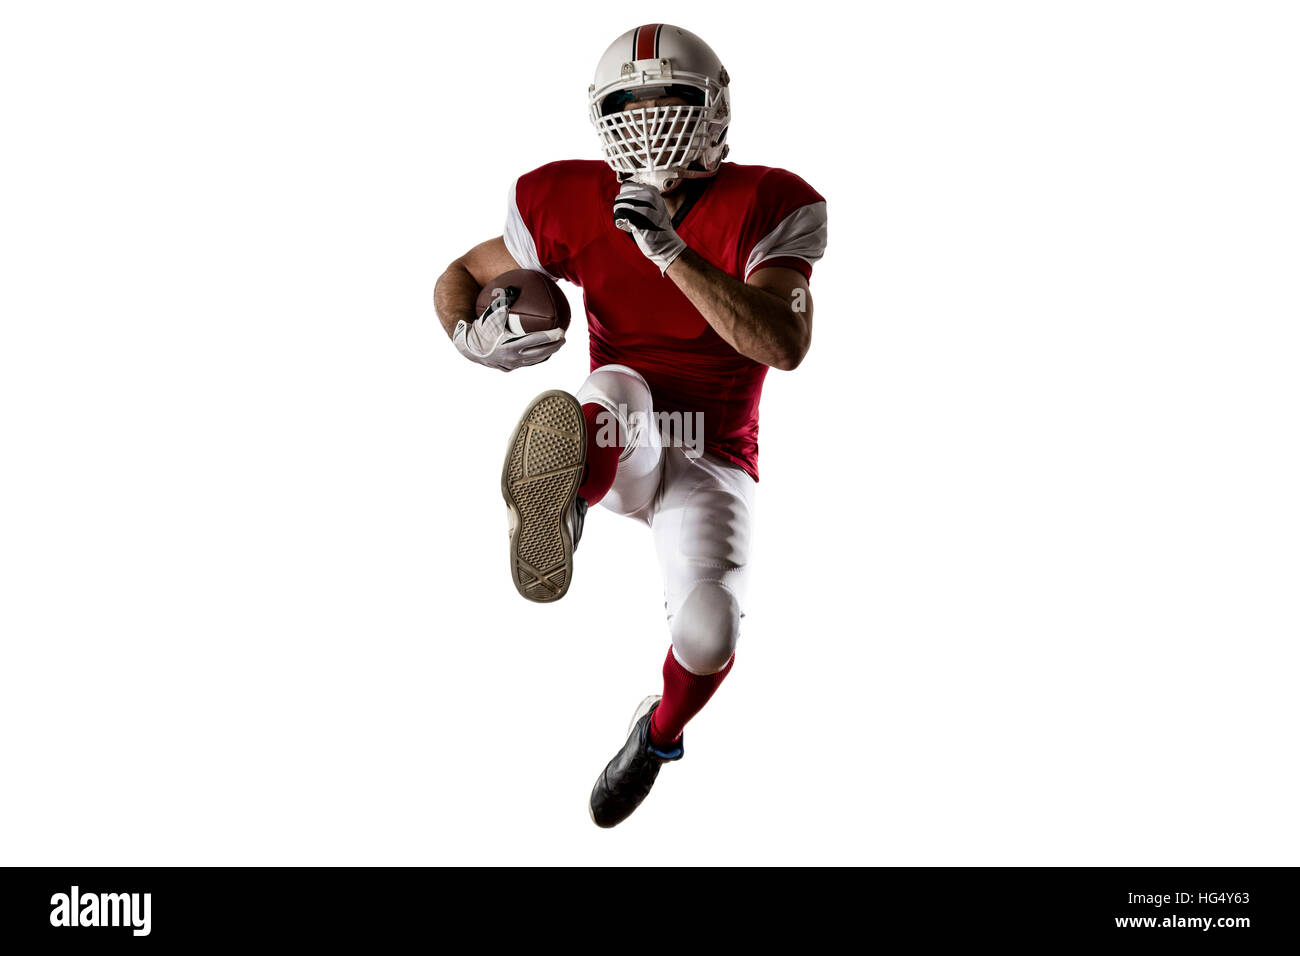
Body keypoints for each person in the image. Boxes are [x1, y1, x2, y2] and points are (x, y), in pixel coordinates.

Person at [433, 23, 827, 828]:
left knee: (711, 630)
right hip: (627, 436)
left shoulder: (770, 201)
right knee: (616, 389)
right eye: (630, 102)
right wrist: (472, 334)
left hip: (715, 451)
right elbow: (464, 273)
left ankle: (653, 738)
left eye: (669, 99)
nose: (648, 119)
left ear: (712, 110)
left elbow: (784, 345)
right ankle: (566, 497)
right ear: (600, 114)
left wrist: (673, 254)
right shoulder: (567, 196)